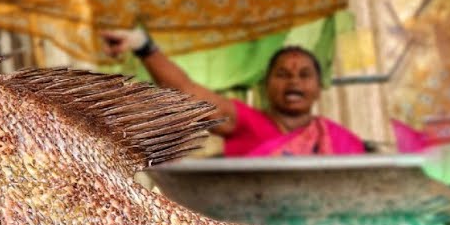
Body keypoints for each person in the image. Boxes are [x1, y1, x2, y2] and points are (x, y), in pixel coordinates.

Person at [102, 27, 366, 157]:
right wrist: (142, 45)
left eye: (304, 75)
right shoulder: (245, 121)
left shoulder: (340, 141)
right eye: (283, 74)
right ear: (266, 85)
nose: (293, 82)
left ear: (318, 88)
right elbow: (186, 91)